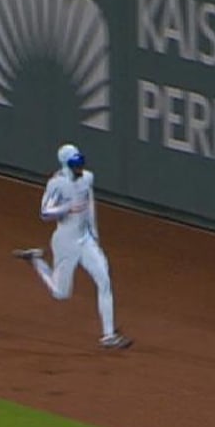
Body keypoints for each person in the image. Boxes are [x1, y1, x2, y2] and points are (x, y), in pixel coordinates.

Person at [11, 143, 132, 350]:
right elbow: (44, 212)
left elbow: (90, 204)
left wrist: (94, 234)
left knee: (104, 279)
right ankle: (36, 260)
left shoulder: (87, 178)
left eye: (80, 163)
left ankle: (108, 335)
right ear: (66, 164)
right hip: (65, 242)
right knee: (61, 294)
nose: (80, 167)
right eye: (75, 164)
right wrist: (67, 207)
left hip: (85, 240)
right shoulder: (56, 184)